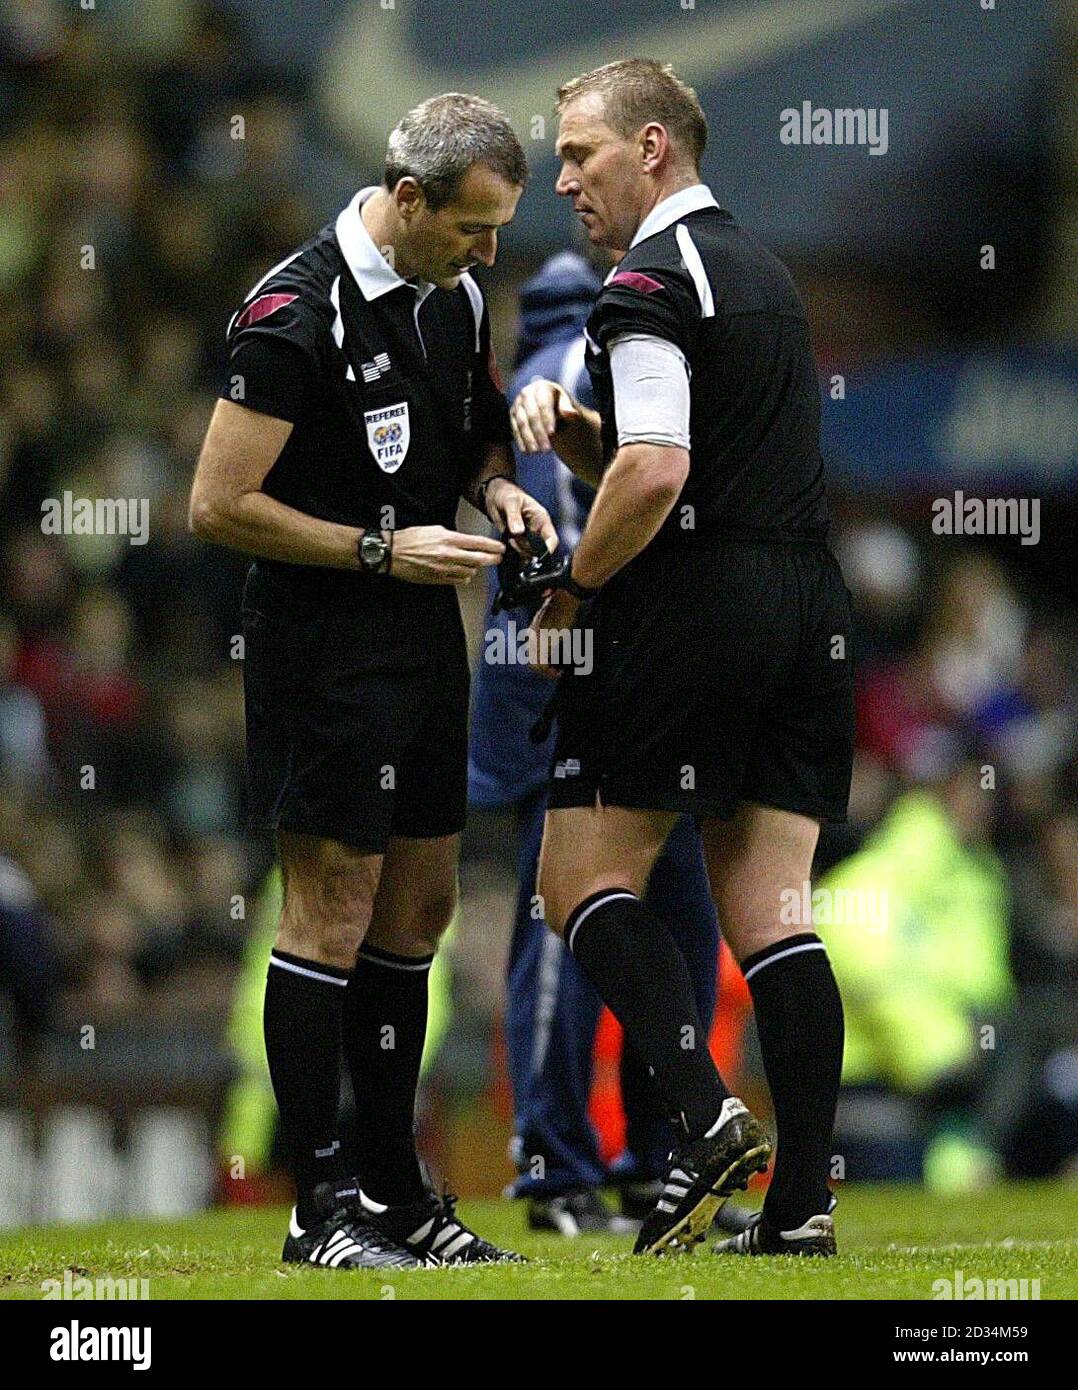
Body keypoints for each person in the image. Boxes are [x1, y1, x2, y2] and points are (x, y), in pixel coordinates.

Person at [190, 93, 556, 1269]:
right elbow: (216, 503)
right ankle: (317, 1210)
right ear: (407, 200)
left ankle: (399, 1192)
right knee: (332, 912)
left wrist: (496, 487)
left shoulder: (451, 298)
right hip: (318, 649)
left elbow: (475, 428)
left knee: (420, 911)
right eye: (475, 227)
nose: (490, 254)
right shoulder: (291, 313)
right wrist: (373, 548)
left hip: (416, 641)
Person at [511, 60, 855, 1257]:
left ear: (652, 148)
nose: (563, 181)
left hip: (691, 608)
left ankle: (703, 1113)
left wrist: (569, 595)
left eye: (579, 155)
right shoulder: (762, 271)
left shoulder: (645, 283)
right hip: (804, 602)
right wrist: (597, 433)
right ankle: (801, 1203)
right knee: (772, 910)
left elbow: (656, 475)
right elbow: (695, 452)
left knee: (575, 879)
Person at [468, 252, 727, 1235]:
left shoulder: (522, 392)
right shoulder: (586, 375)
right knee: (623, 929)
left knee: (601, 930)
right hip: (598, 690)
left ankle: (617, 1163)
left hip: (571, 692)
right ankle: (577, 1168)